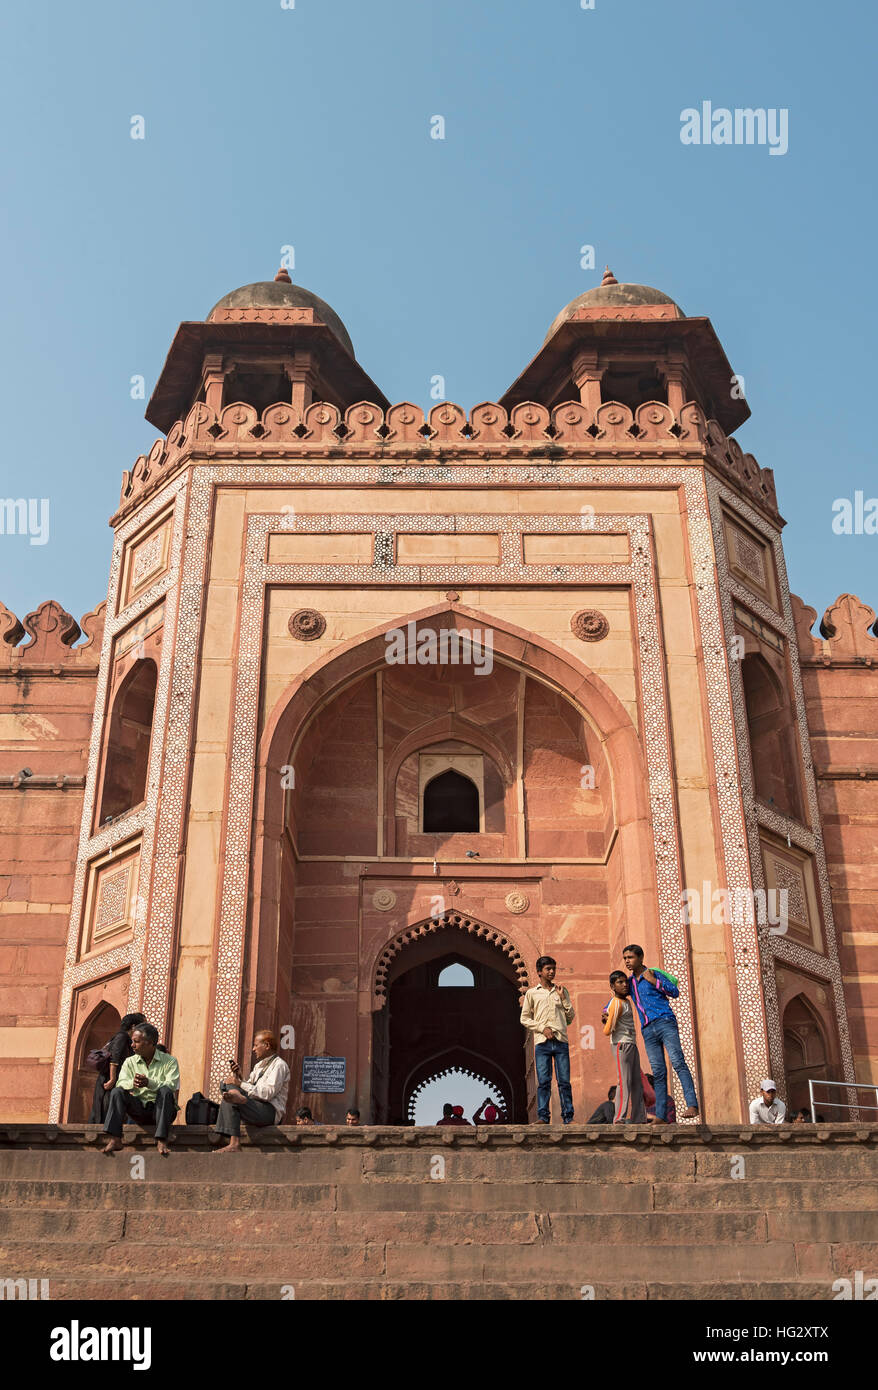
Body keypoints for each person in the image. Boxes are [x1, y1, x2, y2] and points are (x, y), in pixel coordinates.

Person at [621, 943, 699, 1123]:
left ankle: (692, 1105)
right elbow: (618, 995)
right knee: (659, 1072)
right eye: (625, 958)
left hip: (665, 1022)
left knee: (678, 1062)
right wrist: (606, 1011)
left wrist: (653, 981)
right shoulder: (630, 983)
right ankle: (661, 1116)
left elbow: (675, 992)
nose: (627, 961)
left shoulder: (654, 973)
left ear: (640, 958)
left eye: (630, 957)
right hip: (648, 1030)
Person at [101, 1022, 179, 1157]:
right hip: (139, 1109)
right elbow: (121, 1083)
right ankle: (115, 1138)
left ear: (150, 1043)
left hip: (162, 1110)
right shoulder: (130, 1061)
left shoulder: (170, 1061)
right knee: (117, 1091)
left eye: (136, 1042)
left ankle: (161, 1139)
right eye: (132, 1041)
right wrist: (134, 1083)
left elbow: (172, 1085)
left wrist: (149, 1083)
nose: (132, 1045)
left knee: (165, 1091)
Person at [212, 1029, 290, 1155]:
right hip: (254, 1106)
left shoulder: (279, 1065)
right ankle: (234, 1142)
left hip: (269, 1112)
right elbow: (250, 1087)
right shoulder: (258, 1066)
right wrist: (239, 1076)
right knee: (226, 1087)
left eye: (256, 1045)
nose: (253, 1049)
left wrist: (240, 1084)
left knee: (232, 1095)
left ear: (267, 1045)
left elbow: (267, 1094)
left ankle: (234, 1143)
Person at [520, 956, 575, 1124]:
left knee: (564, 1082)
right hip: (542, 1043)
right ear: (539, 972)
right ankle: (543, 1117)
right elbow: (525, 1018)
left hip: (560, 1041)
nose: (551, 972)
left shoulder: (561, 991)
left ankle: (568, 1117)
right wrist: (542, 1028)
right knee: (544, 1082)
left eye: (553, 969)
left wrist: (564, 999)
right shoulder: (532, 993)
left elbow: (570, 1018)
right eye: (548, 969)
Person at [601, 971, 647, 1123]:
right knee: (624, 1081)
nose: (624, 985)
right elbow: (607, 1030)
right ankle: (619, 1117)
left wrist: (606, 1016)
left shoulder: (625, 1002)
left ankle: (639, 1118)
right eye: (620, 982)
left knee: (636, 1083)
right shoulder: (617, 1003)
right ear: (612, 986)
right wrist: (608, 1020)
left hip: (631, 1043)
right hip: (621, 1044)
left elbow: (606, 1011)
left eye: (625, 982)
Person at [88, 1012, 146, 1124]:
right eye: (143, 1025)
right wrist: (112, 1079)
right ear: (134, 1026)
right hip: (109, 1079)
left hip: (114, 1078)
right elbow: (115, 1059)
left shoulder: (124, 1038)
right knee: (105, 1109)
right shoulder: (122, 1037)